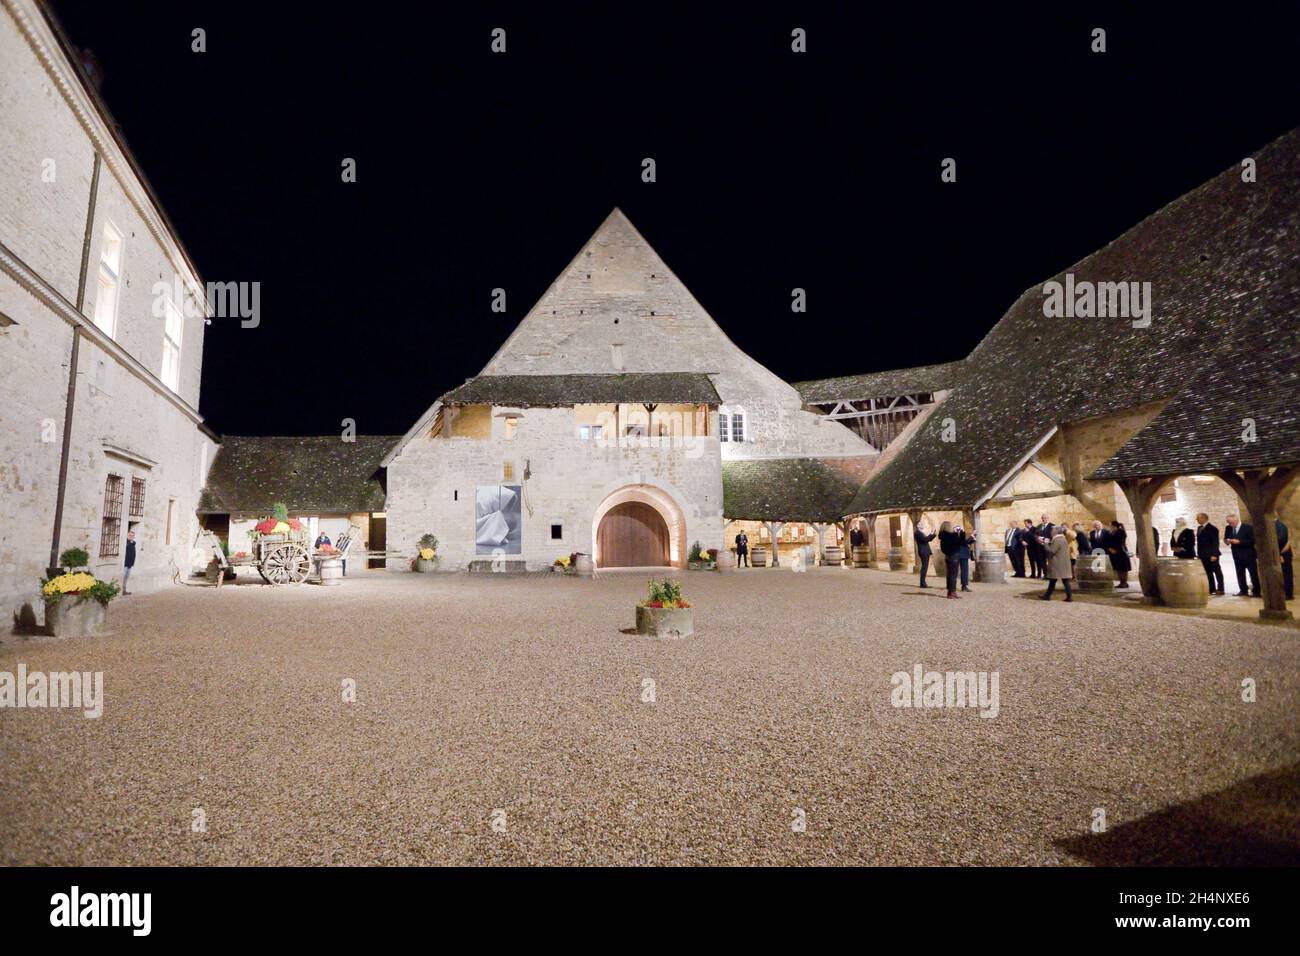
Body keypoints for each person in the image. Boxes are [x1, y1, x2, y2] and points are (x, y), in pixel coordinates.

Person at [1224, 514, 1258, 597]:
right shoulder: (1228, 528)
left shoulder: (1248, 528)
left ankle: (1256, 592)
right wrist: (1227, 541)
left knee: (1253, 573)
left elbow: (1253, 541)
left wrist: (1240, 542)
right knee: (1240, 573)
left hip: (1248, 554)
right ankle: (1243, 590)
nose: (1230, 524)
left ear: (1236, 520)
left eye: (1231, 522)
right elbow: (1226, 537)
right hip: (1236, 555)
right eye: (1228, 522)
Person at [1041, 525, 1073, 601]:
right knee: (1062, 580)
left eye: (1052, 530)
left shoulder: (1057, 540)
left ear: (1056, 531)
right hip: (1063, 563)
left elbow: (1052, 551)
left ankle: (1047, 596)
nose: (1051, 532)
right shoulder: (1062, 539)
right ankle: (1068, 597)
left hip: (1057, 563)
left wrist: (1045, 543)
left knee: (1055, 580)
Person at [1195, 513, 1224, 595]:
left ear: (1204, 518)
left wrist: (1214, 555)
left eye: (1198, 518)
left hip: (1212, 555)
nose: (1196, 520)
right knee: (1208, 572)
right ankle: (1211, 589)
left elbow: (1215, 542)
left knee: (1217, 572)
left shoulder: (1212, 529)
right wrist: (1199, 554)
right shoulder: (1199, 528)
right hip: (1203, 555)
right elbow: (1200, 543)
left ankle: (1220, 589)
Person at [937, 521, 967, 599]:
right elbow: (958, 542)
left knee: (950, 574)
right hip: (953, 556)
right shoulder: (950, 536)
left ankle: (950, 591)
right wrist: (960, 533)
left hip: (949, 556)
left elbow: (959, 542)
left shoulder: (943, 535)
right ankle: (952, 592)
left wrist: (960, 534)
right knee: (953, 575)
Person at [1107, 520, 1132, 588]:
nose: (1110, 527)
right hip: (1114, 553)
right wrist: (1110, 548)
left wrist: (1115, 549)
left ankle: (1124, 583)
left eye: (1111, 526)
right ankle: (1121, 582)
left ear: (1114, 526)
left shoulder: (1121, 532)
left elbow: (1120, 542)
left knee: (1123, 568)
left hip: (1121, 552)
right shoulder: (1112, 532)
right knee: (1118, 568)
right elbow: (1109, 541)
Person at [914, 520, 936, 588]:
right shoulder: (917, 533)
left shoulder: (921, 533)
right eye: (920, 524)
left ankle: (923, 583)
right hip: (923, 551)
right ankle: (922, 583)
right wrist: (931, 534)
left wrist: (933, 534)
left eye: (922, 523)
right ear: (917, 526)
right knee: (924, 567)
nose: (922, 524)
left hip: (925, 551)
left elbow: (928, 540)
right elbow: (925, 540)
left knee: (925, 567)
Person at [1276, 517, 1293, 601]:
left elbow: (1281, 540)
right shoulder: (1278, 525)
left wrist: (1280, 554)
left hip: (1284, 555)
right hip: (1280, 553)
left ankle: (1288, 594)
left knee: (1287, 574)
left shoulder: (1279, 526)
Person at [955, 523, 974, 593]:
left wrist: (972, 538)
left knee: (963, 571)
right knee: (962, 571)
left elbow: (966, 542)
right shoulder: (958, 535)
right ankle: (963, 586)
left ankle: (963, 586)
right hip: (961, 554)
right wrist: (971, 537)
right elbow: (964, 542)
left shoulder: (955, 535)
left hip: (960, 554)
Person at [122, 529, 137, 595]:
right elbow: (127, 546)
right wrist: (130, 542)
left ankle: (124, 590)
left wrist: (132, 542)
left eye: (132, 536)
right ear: (127, 535)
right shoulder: (127, 542)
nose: (131, 537)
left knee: (126, 577)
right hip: (125, 564)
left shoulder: (133, 543)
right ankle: (121, 590)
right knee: (123, 577)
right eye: (130, 535)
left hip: (130, 564)